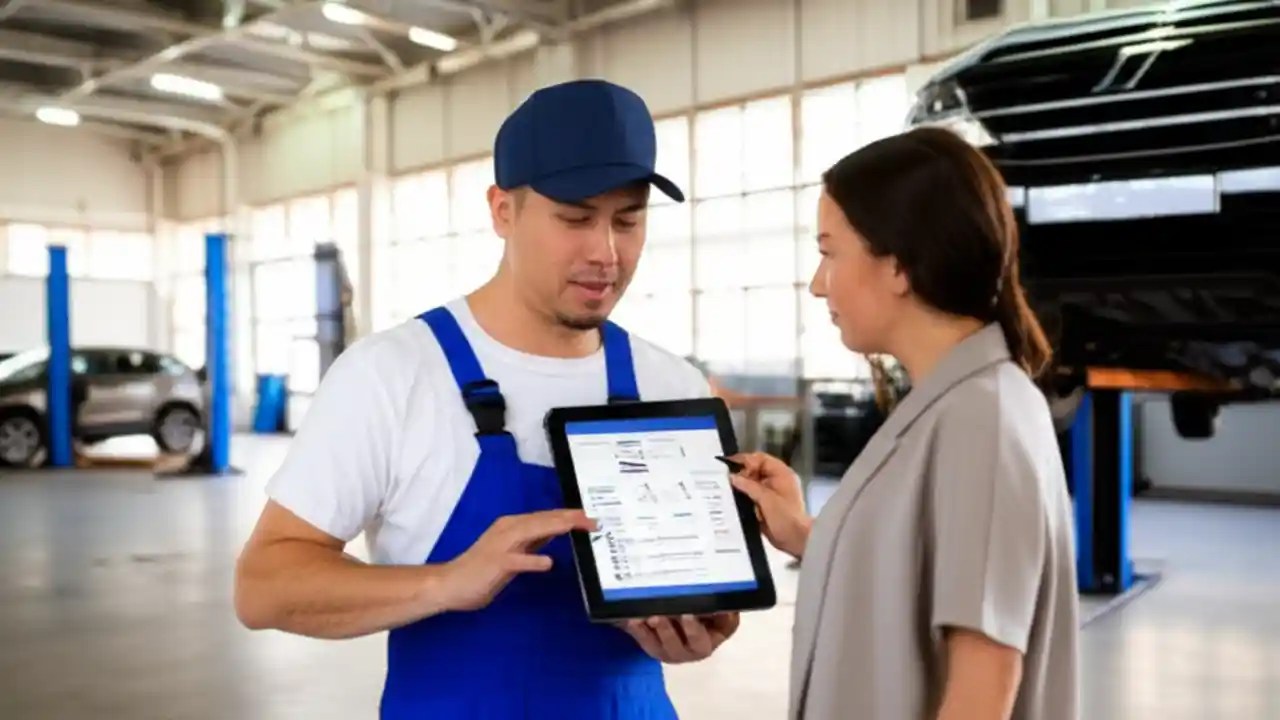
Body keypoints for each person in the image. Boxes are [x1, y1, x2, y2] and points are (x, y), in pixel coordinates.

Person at [233, 79, 739, 719]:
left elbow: (700, 586)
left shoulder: (673, 387)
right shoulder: (393, 374)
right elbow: (264, 585)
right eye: (575, 218)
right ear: (502, 210)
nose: (605, 252)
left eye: (628, 220)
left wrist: (698, 624)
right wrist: (444, 583)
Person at [728, 127, 1080, 720]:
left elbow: (981, 690)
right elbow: (920, 579)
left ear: (897, 264)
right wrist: (810, 536)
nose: (817, 283)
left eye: (830, 252)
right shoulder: (950, 405)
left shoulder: (981, 417)